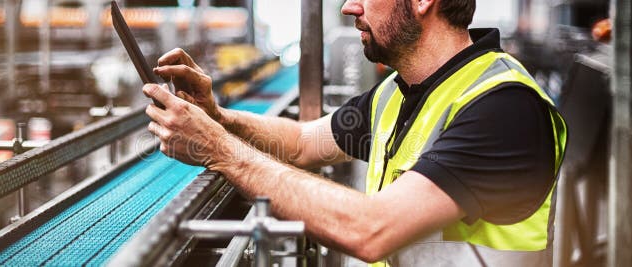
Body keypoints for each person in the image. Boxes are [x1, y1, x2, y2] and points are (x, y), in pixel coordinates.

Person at [140, 0, 567, 265]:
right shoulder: (398, 92)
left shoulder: (503, 108)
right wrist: (217, 117)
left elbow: (371, 230)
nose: (348, 6)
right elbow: (304, 142)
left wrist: (218, 149)